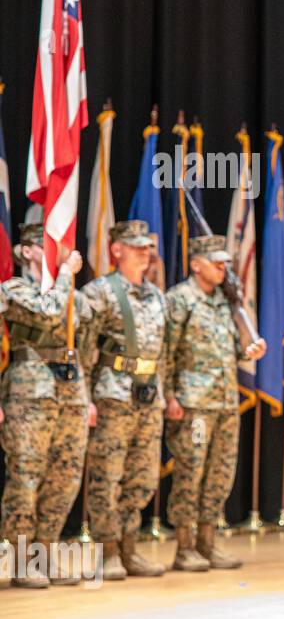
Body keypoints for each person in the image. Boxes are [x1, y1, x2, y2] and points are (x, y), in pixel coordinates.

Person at [163, 234, 266, 571]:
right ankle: (184, 546)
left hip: (225, 402)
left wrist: (249, 351)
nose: (223, 268)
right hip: (193, 404)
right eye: (215, 262)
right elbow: (166, 351)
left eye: (225, 262)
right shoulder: (179, 299)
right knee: (191, 472)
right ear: (196, 264)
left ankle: (208, 541)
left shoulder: (226, 301)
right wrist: (169, 396)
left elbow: (232, 348)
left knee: (220, 473)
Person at [0, 224, 91, 587]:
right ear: (26, 252)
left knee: (65, 474)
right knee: (26, 475)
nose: (58, 255)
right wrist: (67, 274)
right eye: (46, 247)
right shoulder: (13, 289)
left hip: (71, 391)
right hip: (30, 392)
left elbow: (87, 342)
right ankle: (22, 560)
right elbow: (49, 311)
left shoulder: (74, 296)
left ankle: (46, 552)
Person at [81, 220, 168, 580]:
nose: (144, 252)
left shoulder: (157, 296)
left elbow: (165, 352)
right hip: (112, 395)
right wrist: (84, 397)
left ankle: (130, 546)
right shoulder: (99, 292)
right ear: (116, 250)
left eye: (147, 246)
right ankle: (108, 552)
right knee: (107, 475)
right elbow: (84, 348)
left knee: (143, 477)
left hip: (149, 395)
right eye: (135, 246)